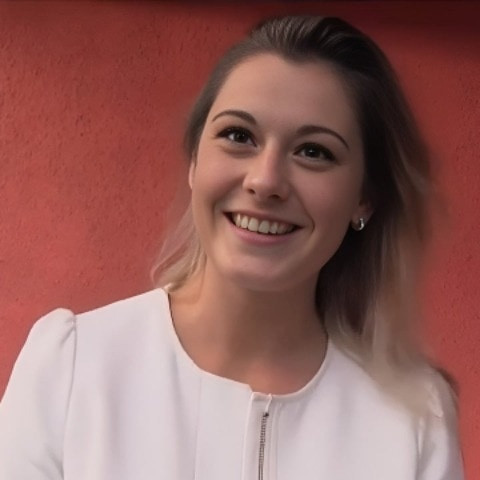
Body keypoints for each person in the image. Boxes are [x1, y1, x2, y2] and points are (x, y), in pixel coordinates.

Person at [0, 15, 464, 479]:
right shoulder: (73, 368)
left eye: (314, 151)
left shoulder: (413, 424)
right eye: (239, 136)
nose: (265, 180)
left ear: (365, 196)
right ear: (195, 162)